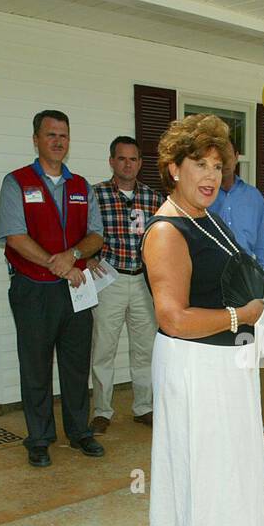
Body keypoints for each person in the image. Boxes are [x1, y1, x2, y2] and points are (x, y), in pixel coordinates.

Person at [142, 114, 264, 526]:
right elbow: (173, 316)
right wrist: (245, 317)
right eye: (200, 164)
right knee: (202, 472)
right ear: (173, 168)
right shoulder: (167, 229)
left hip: (224, 363)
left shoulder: (206, 217)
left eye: (219, 165)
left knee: (212, 468)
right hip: (195, 366)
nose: (212, 175)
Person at [0, 109, 106, 466]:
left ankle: (79, 433)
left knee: (76, 364)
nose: (58, 141)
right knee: (36, 366)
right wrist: (57, 264)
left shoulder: (81, 186)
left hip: (76, 289)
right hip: (33, 289)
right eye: (50, 135)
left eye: (63, 135)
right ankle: (40, 438)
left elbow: (95, 235)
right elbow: (14, 236)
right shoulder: (16, 182)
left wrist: (73, 255)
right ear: (36, 140)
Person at [87, 136, 165, 434]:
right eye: (121, 158)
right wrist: (88, 259)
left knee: (145, 349)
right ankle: (102, 411)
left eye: (133, 159)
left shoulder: (153, 199)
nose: (127, 164)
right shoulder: (96, 195)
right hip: (110, 280)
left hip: (143, 282)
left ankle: (144, 407)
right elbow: (82, 232)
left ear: (140, 164)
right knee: (104, 349)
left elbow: (163, 239)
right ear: (111, 161)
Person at [211, 148, 264, 274]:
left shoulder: (254, 197)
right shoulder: (204, 195)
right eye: (219, 157)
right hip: (209, 277)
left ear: (236, 157)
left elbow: (263, 248)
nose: (224, 161)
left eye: (227, 155)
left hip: (243, 278)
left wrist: (260, 281)